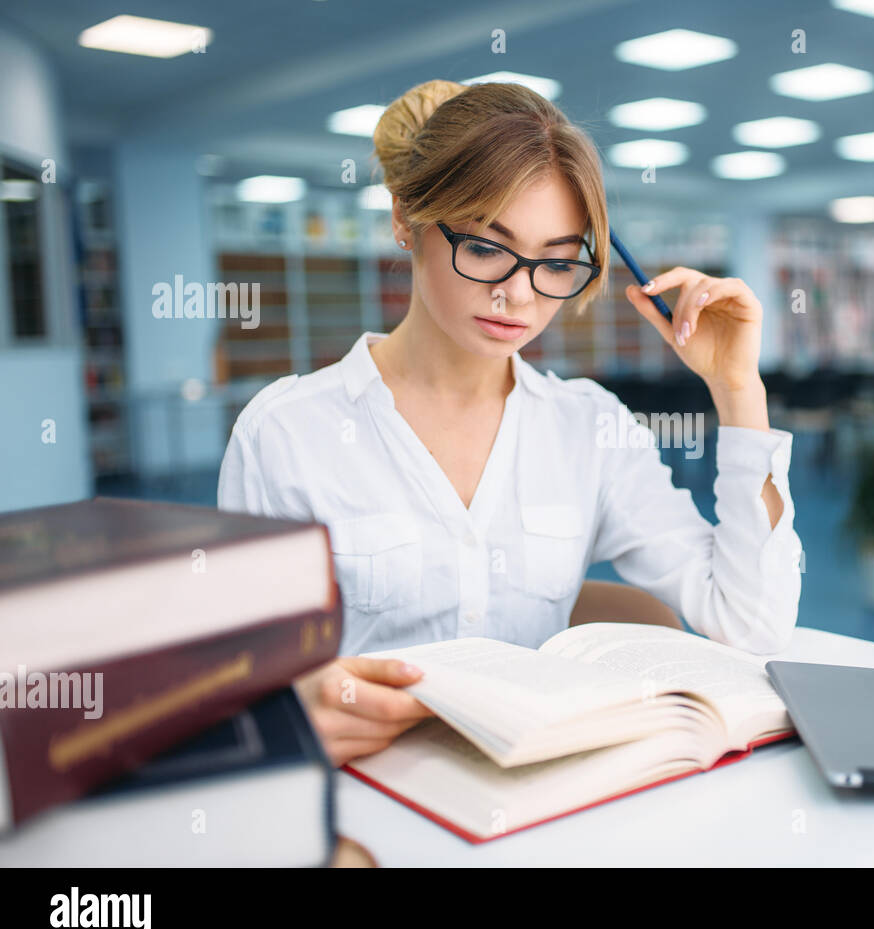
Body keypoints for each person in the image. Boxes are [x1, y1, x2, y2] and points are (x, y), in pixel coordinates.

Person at [217, 79, 802, 766]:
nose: (518, 293)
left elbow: (752, 622)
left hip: (541, 796)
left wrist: (736, 389)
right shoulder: (285, 434)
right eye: (488, 247)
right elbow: (238, 685)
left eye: (556, 261)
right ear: (406, 217)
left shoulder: (587, 428)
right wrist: (291, 703)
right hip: (371, 797)